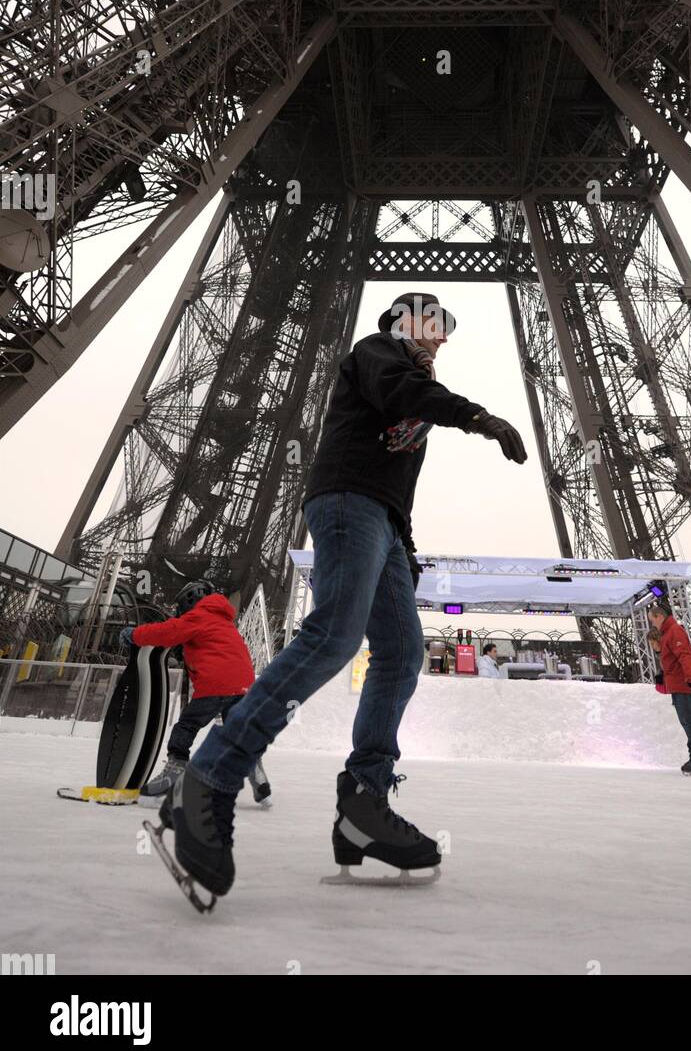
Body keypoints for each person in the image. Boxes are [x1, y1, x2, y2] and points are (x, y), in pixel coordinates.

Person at [157, 291, 528, 899]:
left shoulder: (415, 386)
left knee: (403, 653)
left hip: (383, 522)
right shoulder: (377, 354)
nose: (440, 336)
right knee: (333, 635)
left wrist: (403, 548)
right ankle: (212, 774)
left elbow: (396, 473)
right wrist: (478, 417)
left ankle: (363, 802)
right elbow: (400, 397)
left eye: (446, 329)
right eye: (432, 323)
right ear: (402, 321)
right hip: (345, 503)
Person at [121, 579, 272, 807]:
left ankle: (174, 772)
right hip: (244, 685)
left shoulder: (199, 615)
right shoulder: (224, 621)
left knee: (187, 726)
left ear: (189, 602)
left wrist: (134, 635)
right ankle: (255, 771)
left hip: (215, 684)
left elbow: (167, 632)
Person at [648, 596, 691, 774]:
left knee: (688, 722)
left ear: (659, 616)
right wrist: (663, 677)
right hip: (678, 685)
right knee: (688, 722)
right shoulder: (667, 634)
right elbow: (673, 662)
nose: (653, 625)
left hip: (683, 685)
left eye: (653, 621)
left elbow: (685, 656)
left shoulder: (675, 631)